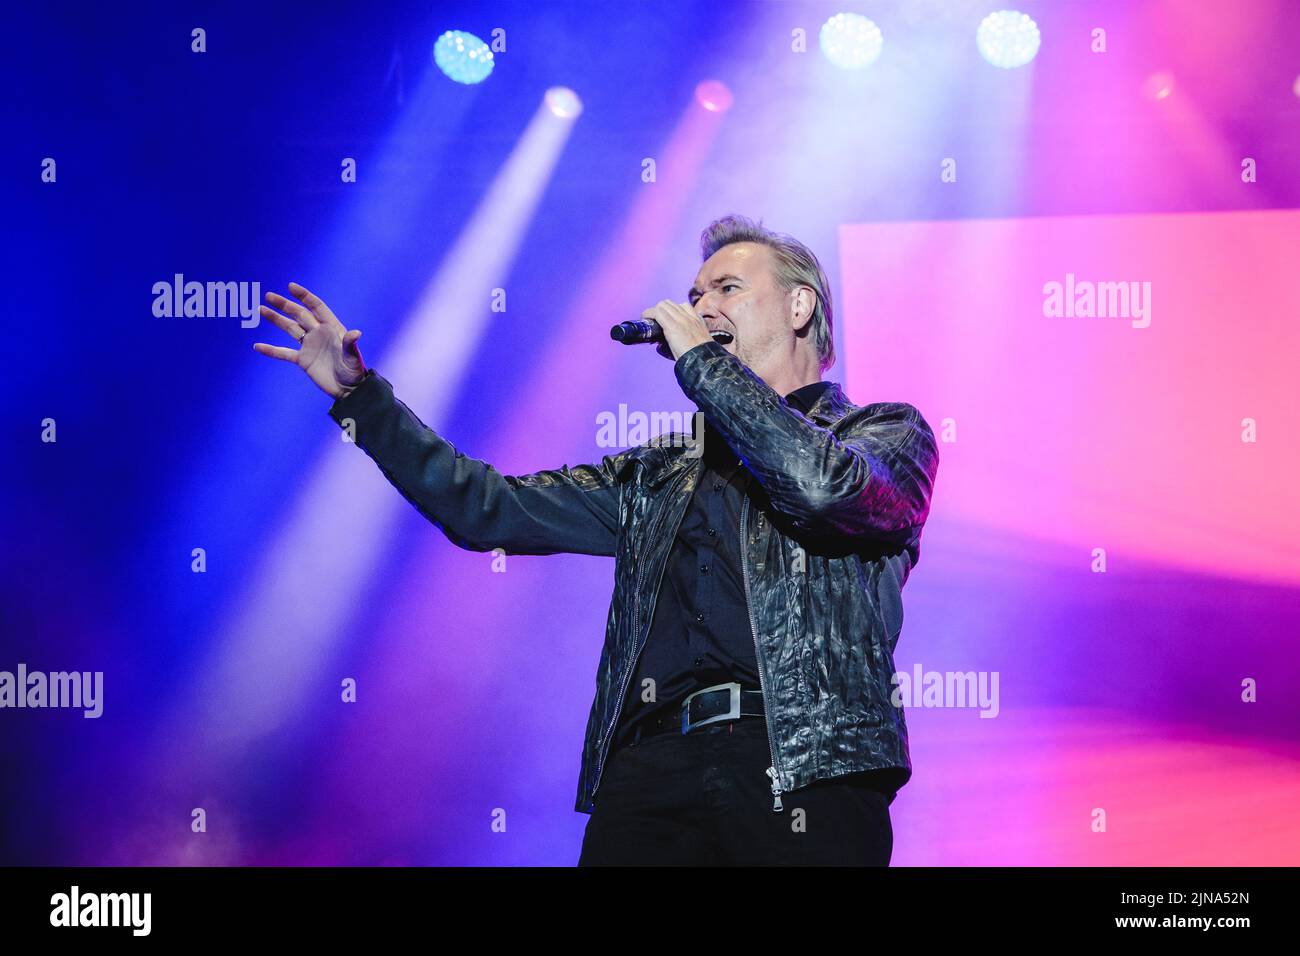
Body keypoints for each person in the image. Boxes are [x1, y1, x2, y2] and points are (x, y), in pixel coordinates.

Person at [254, 214, 940, 866]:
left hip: (805, 764)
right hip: (650, 773)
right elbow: (488, 510)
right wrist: (363, 400)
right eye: (694, 295)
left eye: (728, 289)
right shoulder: (657, 472)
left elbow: (822, 490)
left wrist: (705, 367)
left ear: (799, 309)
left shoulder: (883, 434)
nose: (702, 308)